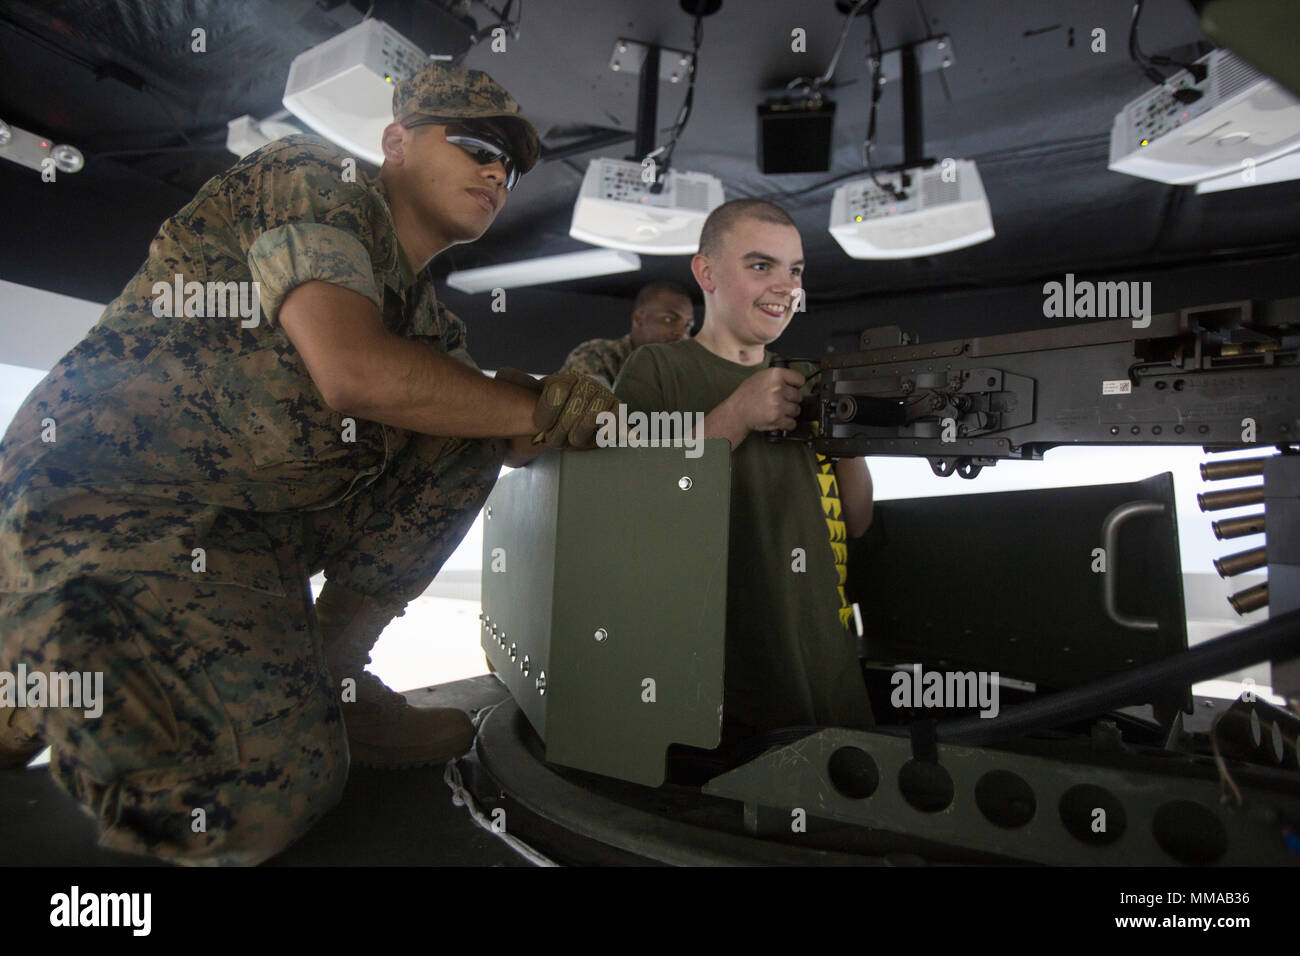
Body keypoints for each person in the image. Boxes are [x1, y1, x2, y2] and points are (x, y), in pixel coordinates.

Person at [0, 62, 617, 865]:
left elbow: (466, 412)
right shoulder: (313, 179)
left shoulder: (432, 332)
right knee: (240, 814)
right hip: (100, 513)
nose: (496, 169)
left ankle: (335, 673)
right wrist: (530, 408)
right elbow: (351, 370)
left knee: (470, 421)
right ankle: (31, 660)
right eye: (473, 144)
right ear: (395, 143)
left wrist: (555, 416)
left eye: (510, 162)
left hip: (236, 544)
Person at [614, 199, 875, 742]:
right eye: (761, 267)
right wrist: (736, 415)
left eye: (795, 270)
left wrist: (850, 435)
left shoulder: (810, 377)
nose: (785, 286)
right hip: (714, 658)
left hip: (820, 646)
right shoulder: (658, 369)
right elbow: (632, 505)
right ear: (705, 272)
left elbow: (856, 521)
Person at [560, 281, 696, 387]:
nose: (682, 333)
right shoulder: (598, 355)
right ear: (639, 319)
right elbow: (595, 417)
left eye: (688, 325)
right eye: (669, 319)